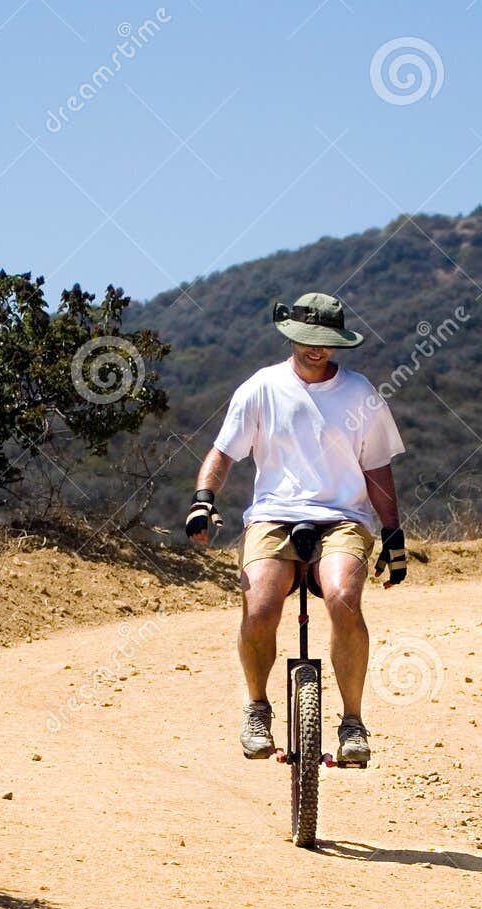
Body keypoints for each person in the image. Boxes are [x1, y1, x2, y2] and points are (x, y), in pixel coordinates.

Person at [185, 290, 407, 766]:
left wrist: (392, 535)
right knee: (261, 604)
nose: (315, 349)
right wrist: (204, 500)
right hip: (272, 515)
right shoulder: (260, 388)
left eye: (325, 341)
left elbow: (377, 469)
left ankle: (352, 722)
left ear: (337, 343)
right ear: (290, 335)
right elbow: (222, 453)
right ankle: (257, 708)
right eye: (307, 339)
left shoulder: (361, 393)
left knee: (345, 599)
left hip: (343, 518)